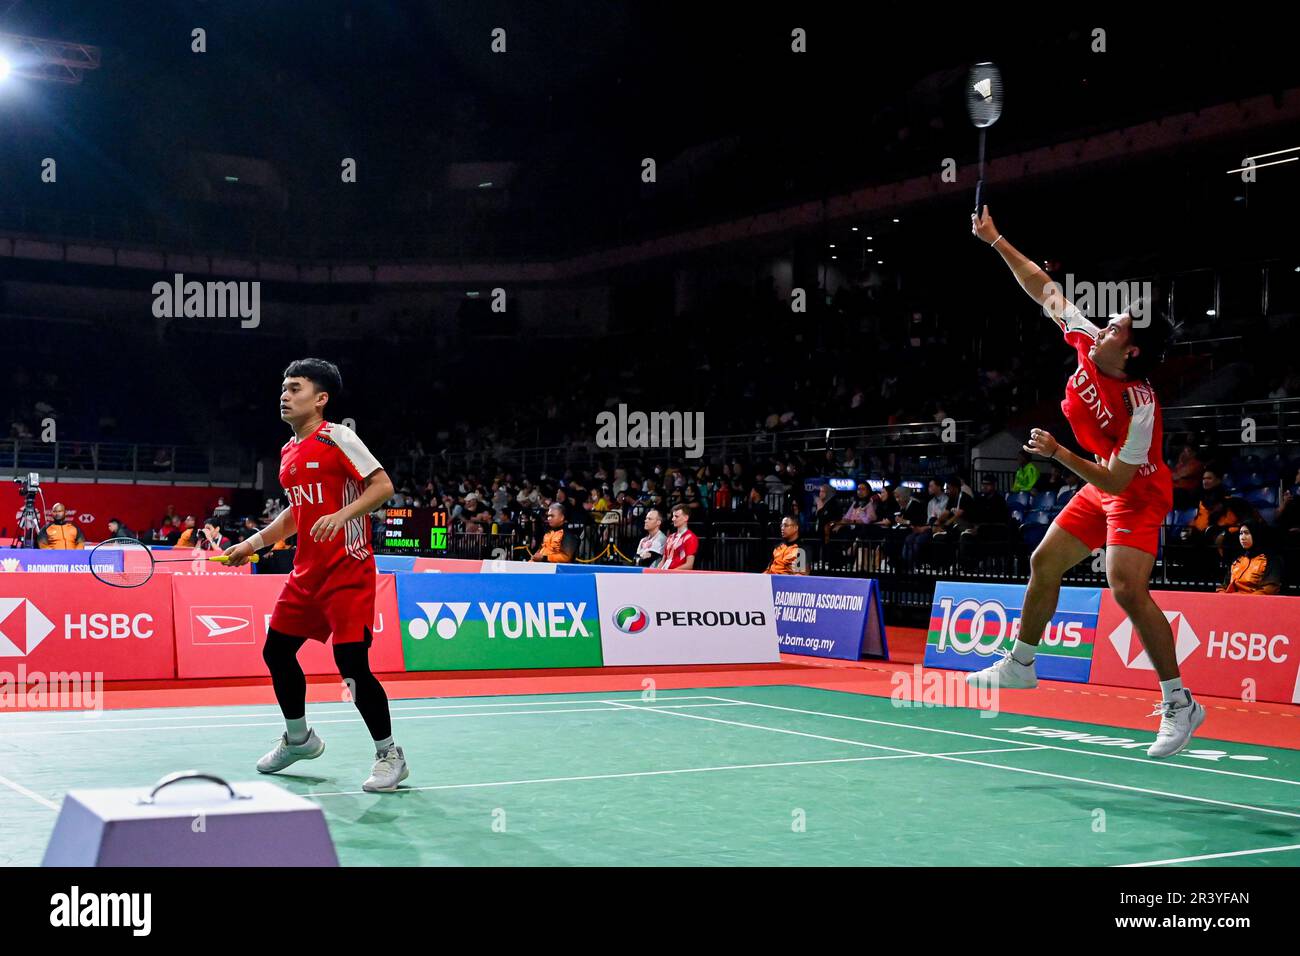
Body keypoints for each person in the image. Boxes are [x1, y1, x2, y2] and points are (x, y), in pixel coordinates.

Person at [967, 206, 1199, 759]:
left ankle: (1179, 703)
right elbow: (1041, 287)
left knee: (1124, 586)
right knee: (1044, 562)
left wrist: (1057, 452)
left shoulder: (1141, 410)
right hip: (1104, 480)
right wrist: (997, 239)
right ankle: (1022, 663)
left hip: (1136, 492)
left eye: (1116, 326)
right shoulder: (1087, 341)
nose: (1104, 326)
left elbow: (1119, 484)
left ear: (1132, 350)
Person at [223, 358, 406, 792]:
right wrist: (252, 544)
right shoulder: (288, 452)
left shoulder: (337, 437)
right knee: (277, 652)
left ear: (320, 399)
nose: (284, 395)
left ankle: (390, 754)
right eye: (283, 388)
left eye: (296, 388)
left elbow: (382, 486)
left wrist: (343, 515)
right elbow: (296, 513)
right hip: (306, 572)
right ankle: (299, 739)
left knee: (351, 664)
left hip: (348, 568)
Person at [1217, 522, 1282, 595]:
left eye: (1247, 533)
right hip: (1232, 600)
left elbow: (1270, 588)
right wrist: (1222, 596)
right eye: (1241, 533)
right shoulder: (1238, 559)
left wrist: (1247, 600)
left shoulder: (1270, 560)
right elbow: (1224, 585)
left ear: (1256, 535)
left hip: (1255, 602)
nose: (1242, 537)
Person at [657, 504, 699, 570]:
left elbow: (689, 565)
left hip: (678, 577)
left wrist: (671, 573)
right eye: (673, 516)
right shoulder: (670, 537)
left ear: (686, 518)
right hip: (665, 574)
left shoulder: (690, 537)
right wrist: (657, 572)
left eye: (676, 516)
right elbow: (663, 561)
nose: (673, 519)